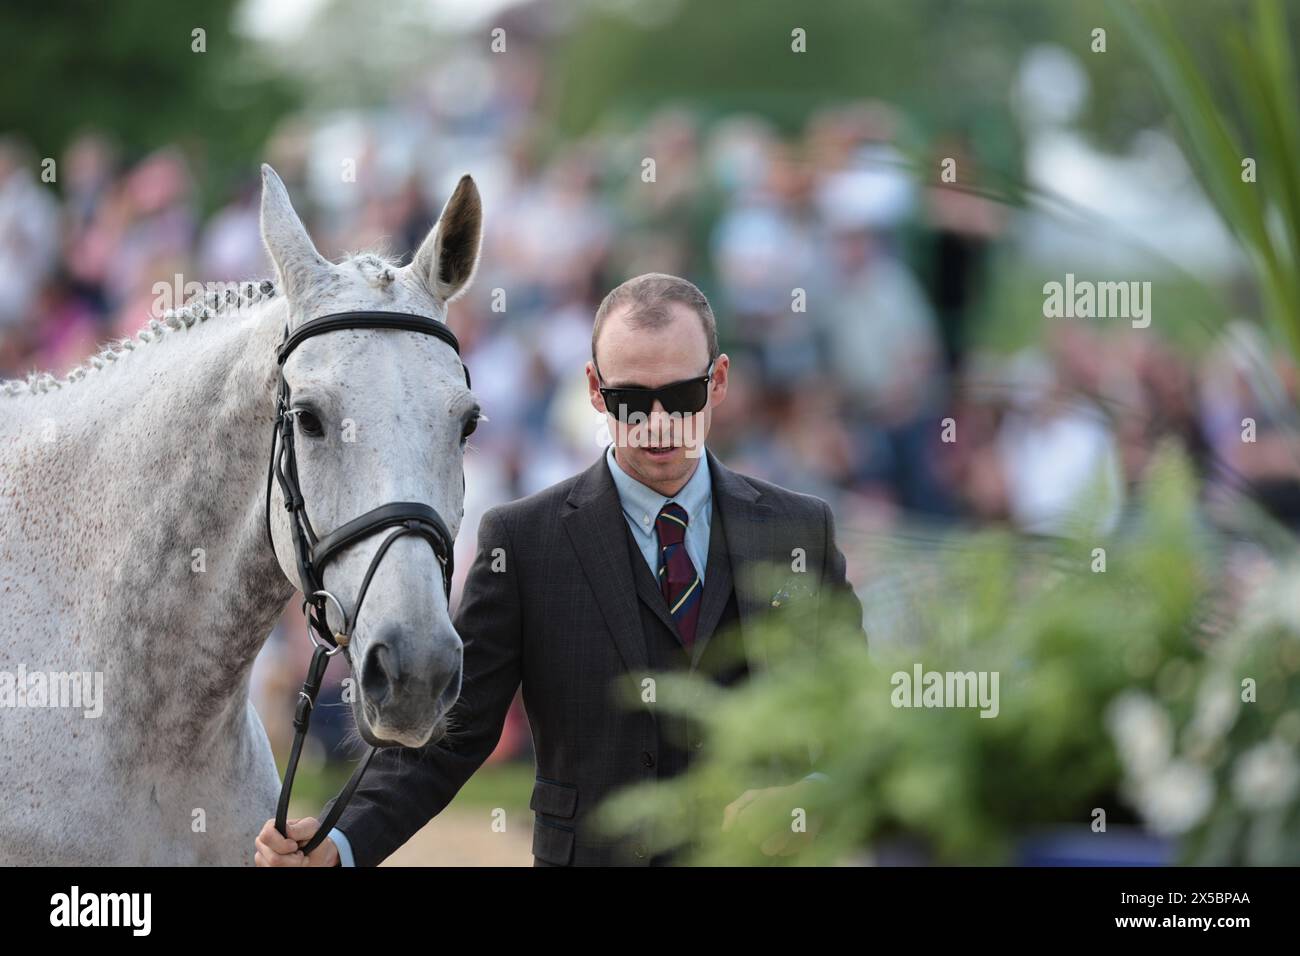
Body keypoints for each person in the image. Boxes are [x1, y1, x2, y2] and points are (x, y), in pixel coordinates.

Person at [255, 272, 865, 866]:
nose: (656, 422)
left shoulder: (799, 531)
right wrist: (343, 842)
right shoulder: (522, 542)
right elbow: (454, 734)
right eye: (630, 400)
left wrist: (815, 792)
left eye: (679, 397)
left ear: (719, 381)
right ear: (595, 391)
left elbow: (857, 715)